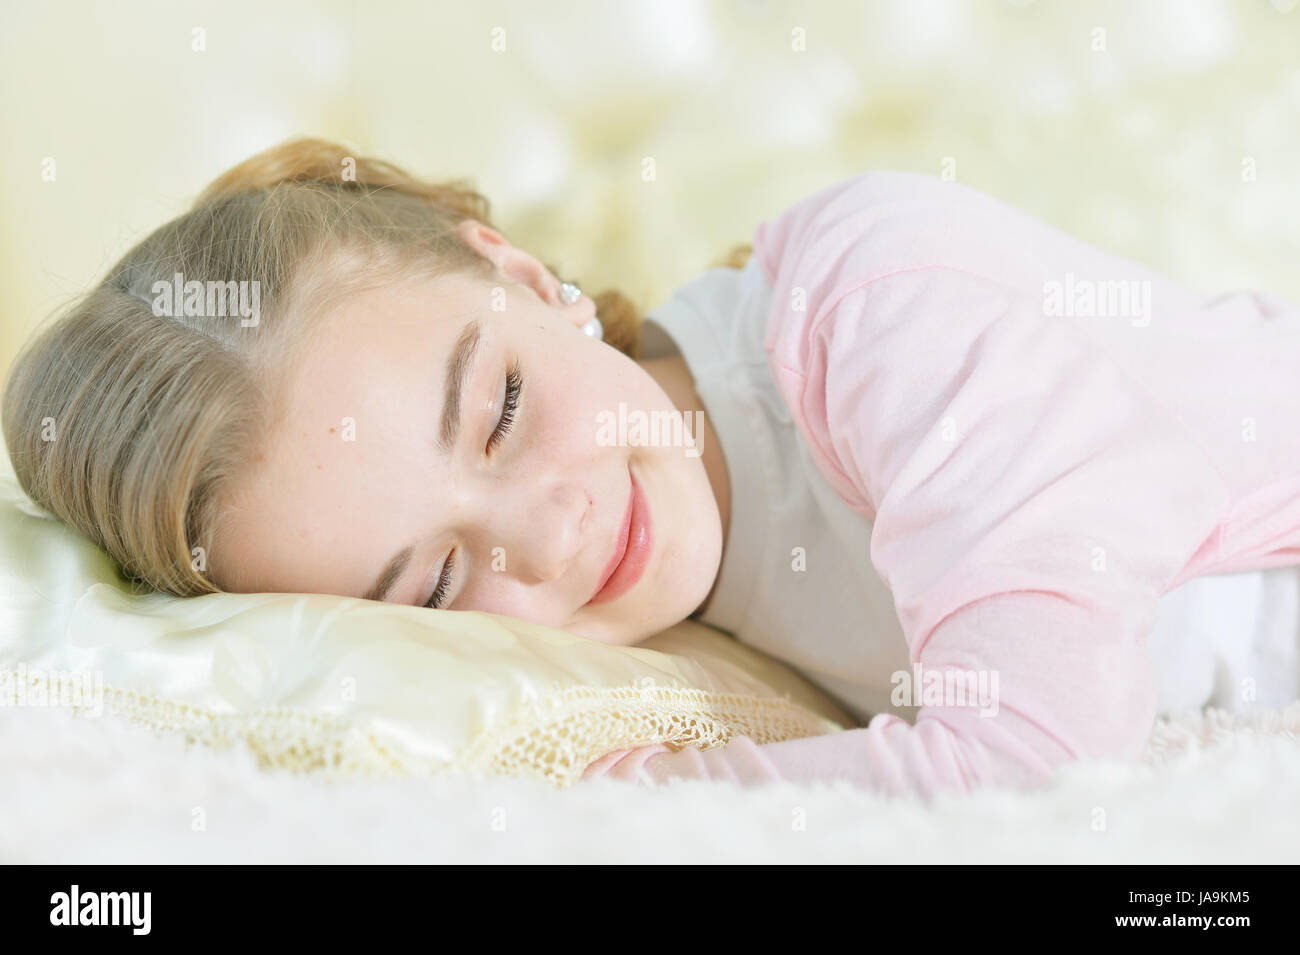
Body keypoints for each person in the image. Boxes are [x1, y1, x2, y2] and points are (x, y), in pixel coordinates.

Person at [6, 137, 1298, 799]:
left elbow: (1043, 758)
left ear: (522, 273)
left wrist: (648, 807)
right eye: (440, 583)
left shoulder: (881, 305)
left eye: (502, 406)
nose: (552, 535)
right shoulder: (681, 628)